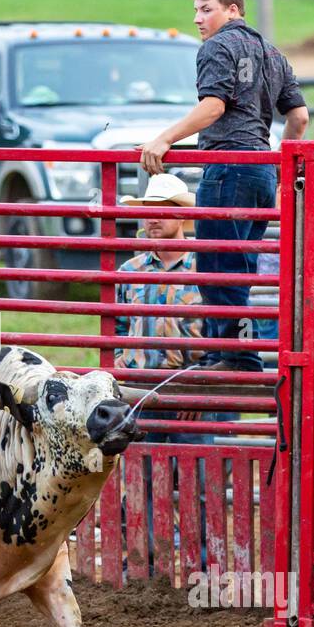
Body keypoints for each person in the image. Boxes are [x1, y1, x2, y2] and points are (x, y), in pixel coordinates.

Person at [138, 0, 308, 373]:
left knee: (217, 269)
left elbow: (213, 107)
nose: (198, 19)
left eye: (207, 9)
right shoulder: (273, 53)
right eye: (196, 10)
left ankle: (234, 356)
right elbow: (298, 118)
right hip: (261, 169)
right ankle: (231, 352)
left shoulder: (218, 46)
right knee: (239, 269)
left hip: (228, 165)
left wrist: (164, 139)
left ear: (233, 10)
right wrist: (280, 170)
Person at [113, 173, 207, 443]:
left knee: (197, 477)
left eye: (162, 210)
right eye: (148, 212)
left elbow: (222, 334)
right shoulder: (130, 271)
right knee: (145, 476)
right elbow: (118, 325)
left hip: (189, 390)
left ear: (181, 216)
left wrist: (202, 388)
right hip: (139, 391)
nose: (153, 218)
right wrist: (121, 360)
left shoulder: (205, 268)